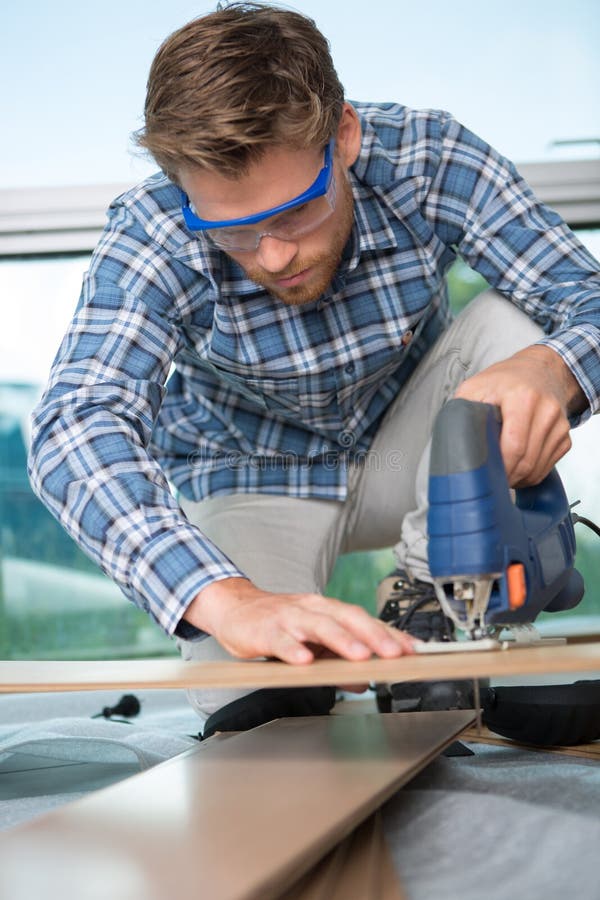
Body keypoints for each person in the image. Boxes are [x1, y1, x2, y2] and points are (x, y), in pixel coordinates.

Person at [28, 3, 600, 731]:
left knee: (523, 326)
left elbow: (586, 296)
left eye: (296, 210)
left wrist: (554, 372)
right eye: (232, 229)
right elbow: (75, 425)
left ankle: (439, 604)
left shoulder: (429, 156)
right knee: (268, 715)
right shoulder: (154, 229)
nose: (272, 256)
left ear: (346, 136)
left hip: (418, 453)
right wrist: (228, 599)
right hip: (251, 475)